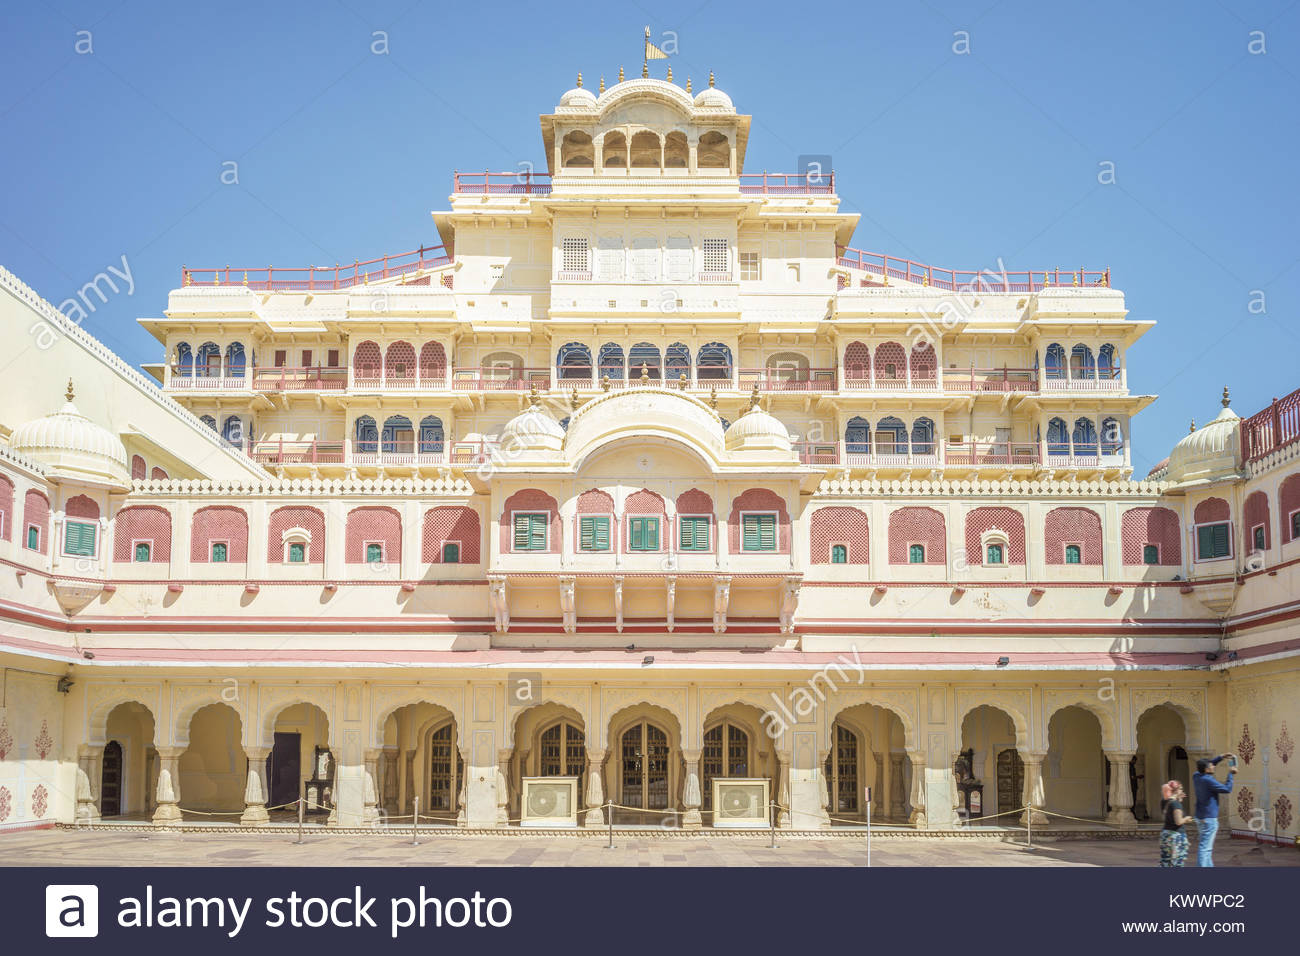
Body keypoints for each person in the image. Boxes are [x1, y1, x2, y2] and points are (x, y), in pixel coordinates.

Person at [1191, 753, 1235, 867]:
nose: (1213, 766)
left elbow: (1209, 766)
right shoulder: (1208, 781)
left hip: (1200, 817)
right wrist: (1231, 774)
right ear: (1206, 769)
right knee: (1205, 848)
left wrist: (1220, 757)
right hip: (1209, 818)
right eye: (1211, 766)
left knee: (1207, 848)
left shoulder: (1196, 776)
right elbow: (1227, 789)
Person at [1159, 780, 1189, 867]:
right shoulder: (1176, 804)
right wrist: (1186, 819)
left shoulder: (1164, 801)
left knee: (1165, 861)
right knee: (1177, 862)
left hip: (1165, 834)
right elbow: (1178, 821)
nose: (1182, 792)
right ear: (1176, 790)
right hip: (1176, 836)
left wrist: (1178, 799)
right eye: (1181, 789)